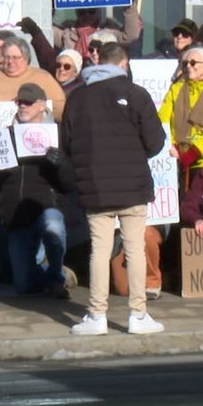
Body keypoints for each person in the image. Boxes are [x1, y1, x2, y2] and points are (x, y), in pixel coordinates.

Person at [62, 42, 166, 335]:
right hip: (133, 184)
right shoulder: (136, 94)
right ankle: (138, 314)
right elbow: (156, 142)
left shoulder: (78, 98)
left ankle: (96, 315)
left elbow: (67, 143)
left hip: (94, 186)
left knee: (99, 250)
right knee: (134, 249)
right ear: (123, 64)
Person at [0, 83, 76, 297]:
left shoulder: (58, 134)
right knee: (24, 286)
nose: (22, 106)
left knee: (53, 226)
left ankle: (56, 277)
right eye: (19, 102)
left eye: (28, 102)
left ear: (42, 106)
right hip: (16, 215)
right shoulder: (6, 134)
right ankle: (51, 274)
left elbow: (70, 184)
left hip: (46, 208)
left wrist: (62, 163)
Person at [158, 46, 203, 182]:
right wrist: (173, 146)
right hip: (175, 158)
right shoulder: (176, 89)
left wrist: (193, 151)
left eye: (193, 63)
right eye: (185, 63)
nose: (188, 66)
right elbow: (163, 120)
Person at [0, 36, 67, 124]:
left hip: (32, 139)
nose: (10, 61)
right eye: (7, 57)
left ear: (26, 58)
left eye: (15, 57)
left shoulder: (43, 78)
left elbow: (61, 108)